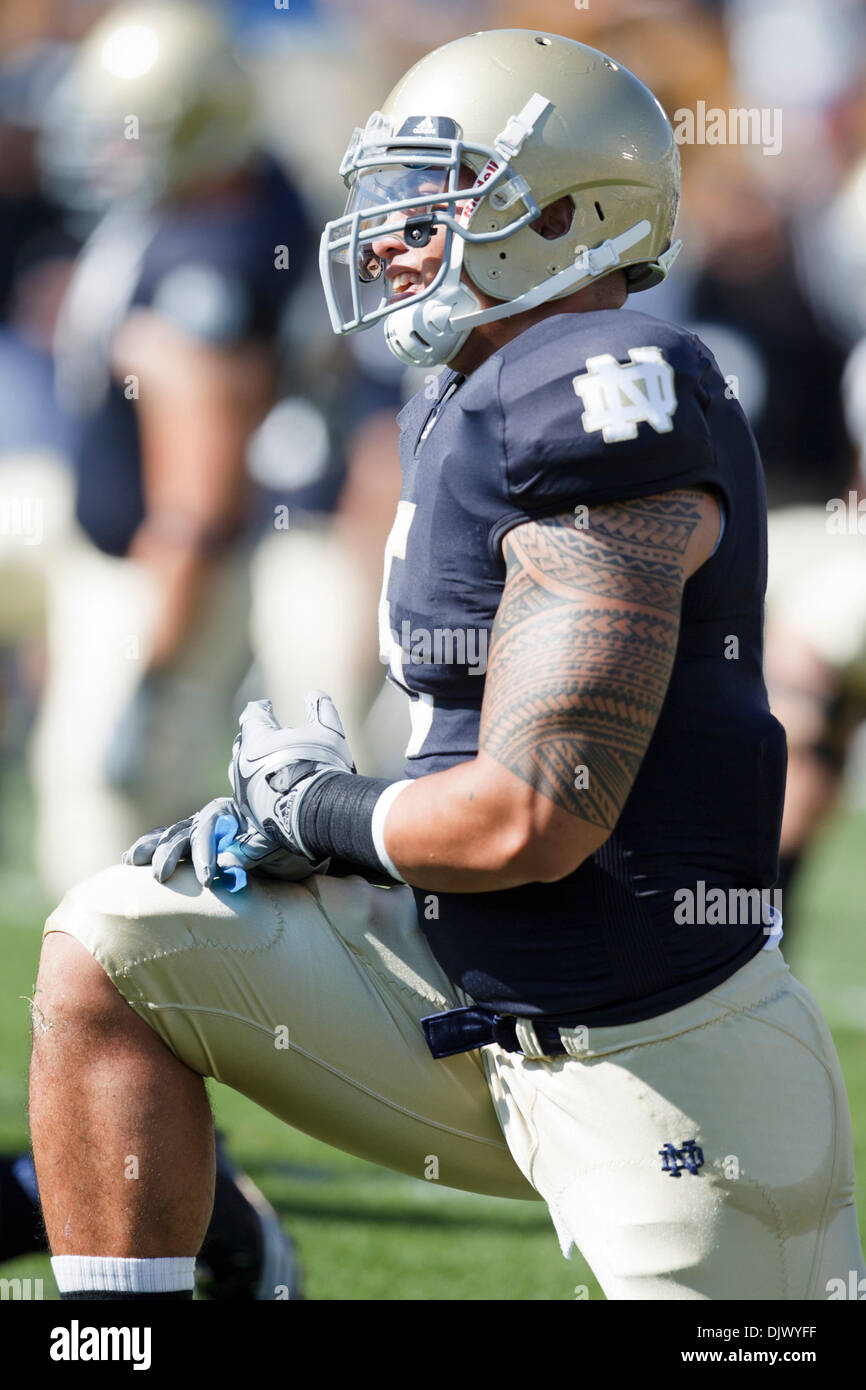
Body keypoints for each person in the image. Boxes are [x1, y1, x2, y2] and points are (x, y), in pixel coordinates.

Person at [29, 28, 865, 1301]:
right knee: (114, 943)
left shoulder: (600, 397)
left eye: (436, 198)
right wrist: (321, 826)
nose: (388, 235)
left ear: (572, 213)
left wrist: (318, 808)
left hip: (659, 1057)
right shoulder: (480, 385)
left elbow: (534, 817)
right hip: (450, 994)